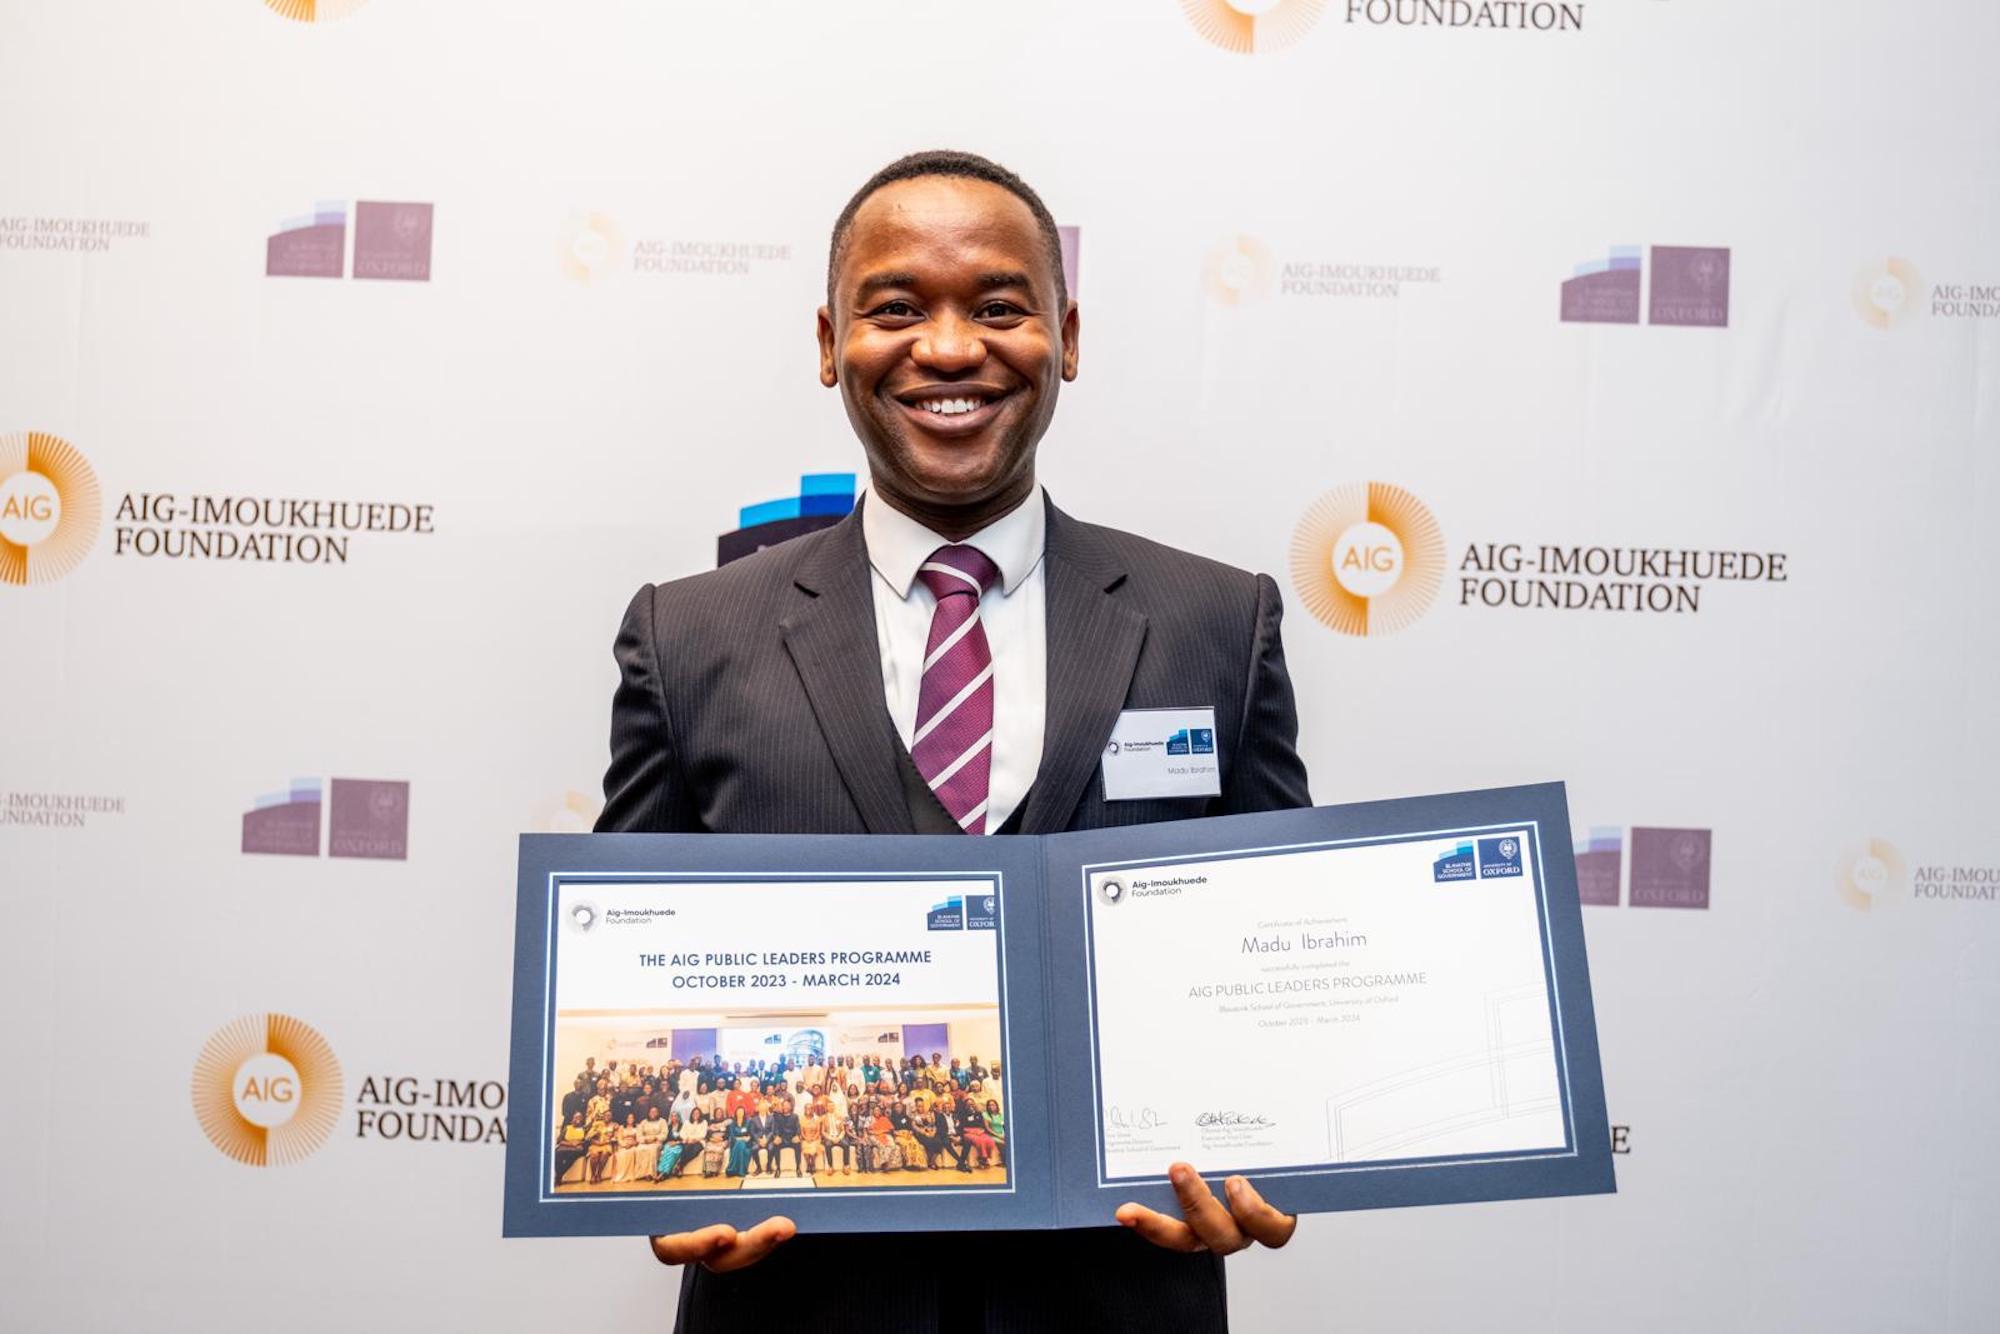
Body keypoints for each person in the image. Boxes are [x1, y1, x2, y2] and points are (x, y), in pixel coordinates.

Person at [597, 150, 1306, 1331]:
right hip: (798, 1307)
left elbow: (1273, 960)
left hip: (1118, 1299)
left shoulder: (1215, 622)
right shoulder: (689, 634)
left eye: (996, 305)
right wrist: (641, 1174)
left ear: (1063, 336)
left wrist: (1273, 1148)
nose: (946, 347)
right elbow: (624, 973)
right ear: (830, 344)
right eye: (893, 308)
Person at [656, 1113, 688, 1179]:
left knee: (672, 1152)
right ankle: (660, 1171)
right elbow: (666, 1138)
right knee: (667, 1149)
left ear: (678, 1117)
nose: (674, 1118)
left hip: (679, 1145)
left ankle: (665, 1173)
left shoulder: (682, 1126)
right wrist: (668, 1142)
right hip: (669, 1144)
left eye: (675, 1116)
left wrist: (676, 1143)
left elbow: (684, 1139)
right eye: (672, 1116)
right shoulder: (669, 1127)